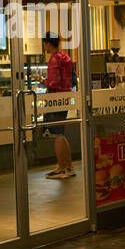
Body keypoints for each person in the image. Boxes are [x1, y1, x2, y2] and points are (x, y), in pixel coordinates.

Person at [41, 32, 76, 179]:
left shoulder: (54, 59)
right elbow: (73, 80)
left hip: (55, 98)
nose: (44, 47)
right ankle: (68, 166)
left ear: (48, 43)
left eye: (45, 43)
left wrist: (43, 81)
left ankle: (61, 168)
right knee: (61, 133)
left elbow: (54, 83)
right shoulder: (66, 57)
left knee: (56, 134)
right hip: (66, 97)